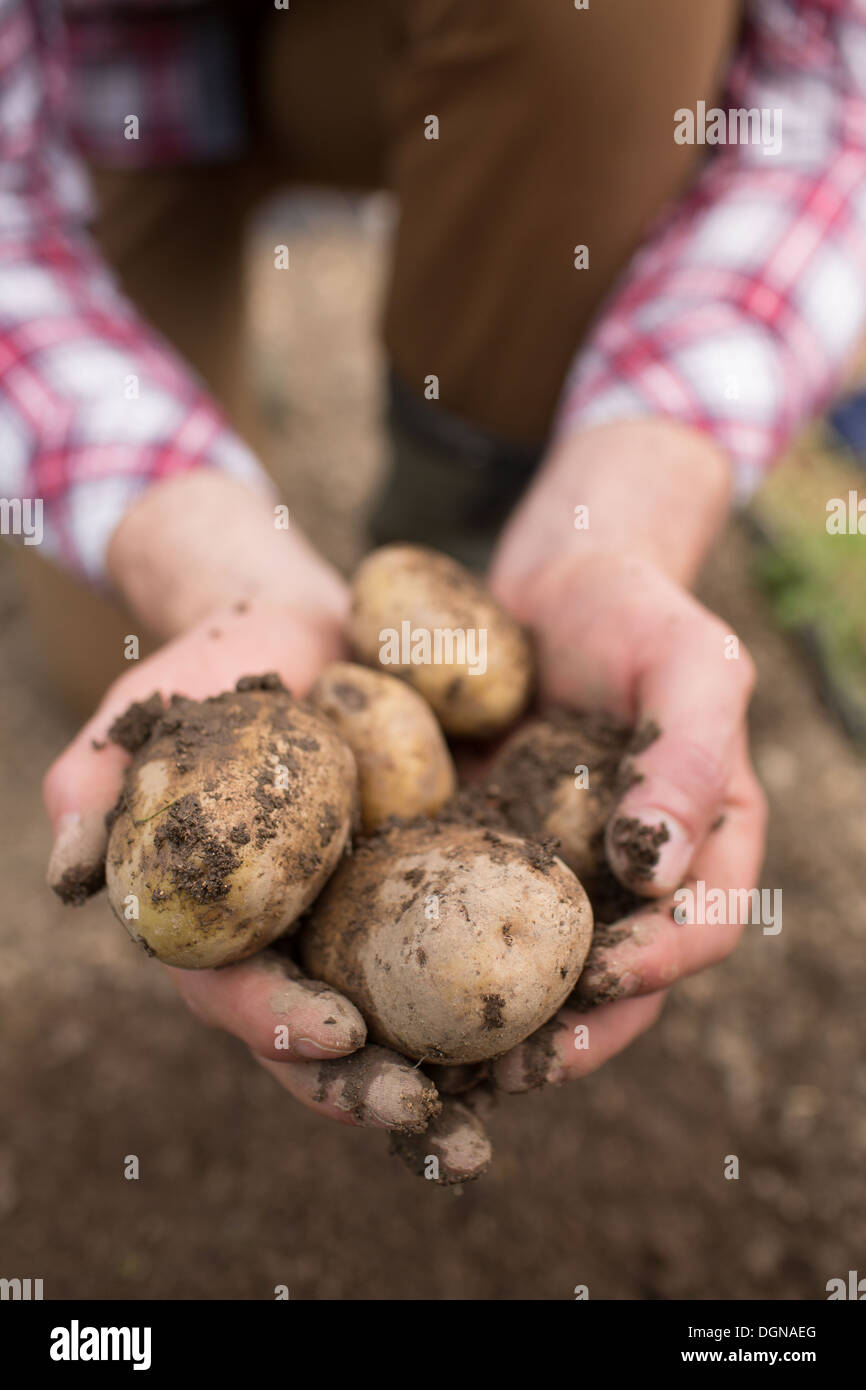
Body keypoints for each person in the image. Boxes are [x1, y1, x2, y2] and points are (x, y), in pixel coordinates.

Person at [2, 0, 863, 1179]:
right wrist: (195, 549)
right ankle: (298, 563)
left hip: (441, 44)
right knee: (94, 660)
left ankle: (487, 512)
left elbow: (831, 111)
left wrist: (632, 505)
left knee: (609, 23)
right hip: (100, 105)